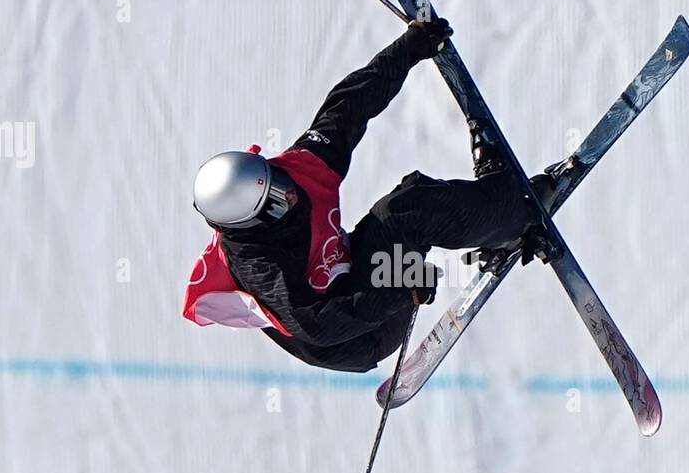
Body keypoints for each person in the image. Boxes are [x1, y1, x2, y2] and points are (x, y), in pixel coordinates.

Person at [183, 19, 552, 373]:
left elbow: (349, 105)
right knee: (405, 216)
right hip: (356, 334)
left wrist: (408, 50)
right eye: (276, 205)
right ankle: (515, 213)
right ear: (250, 226)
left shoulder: (300, 170)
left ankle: (502, 214)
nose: (290, 196)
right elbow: (321, 328)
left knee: (408, 201)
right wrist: (400, 290)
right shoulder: (262, 267)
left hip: (357, 275)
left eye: (278, 184)